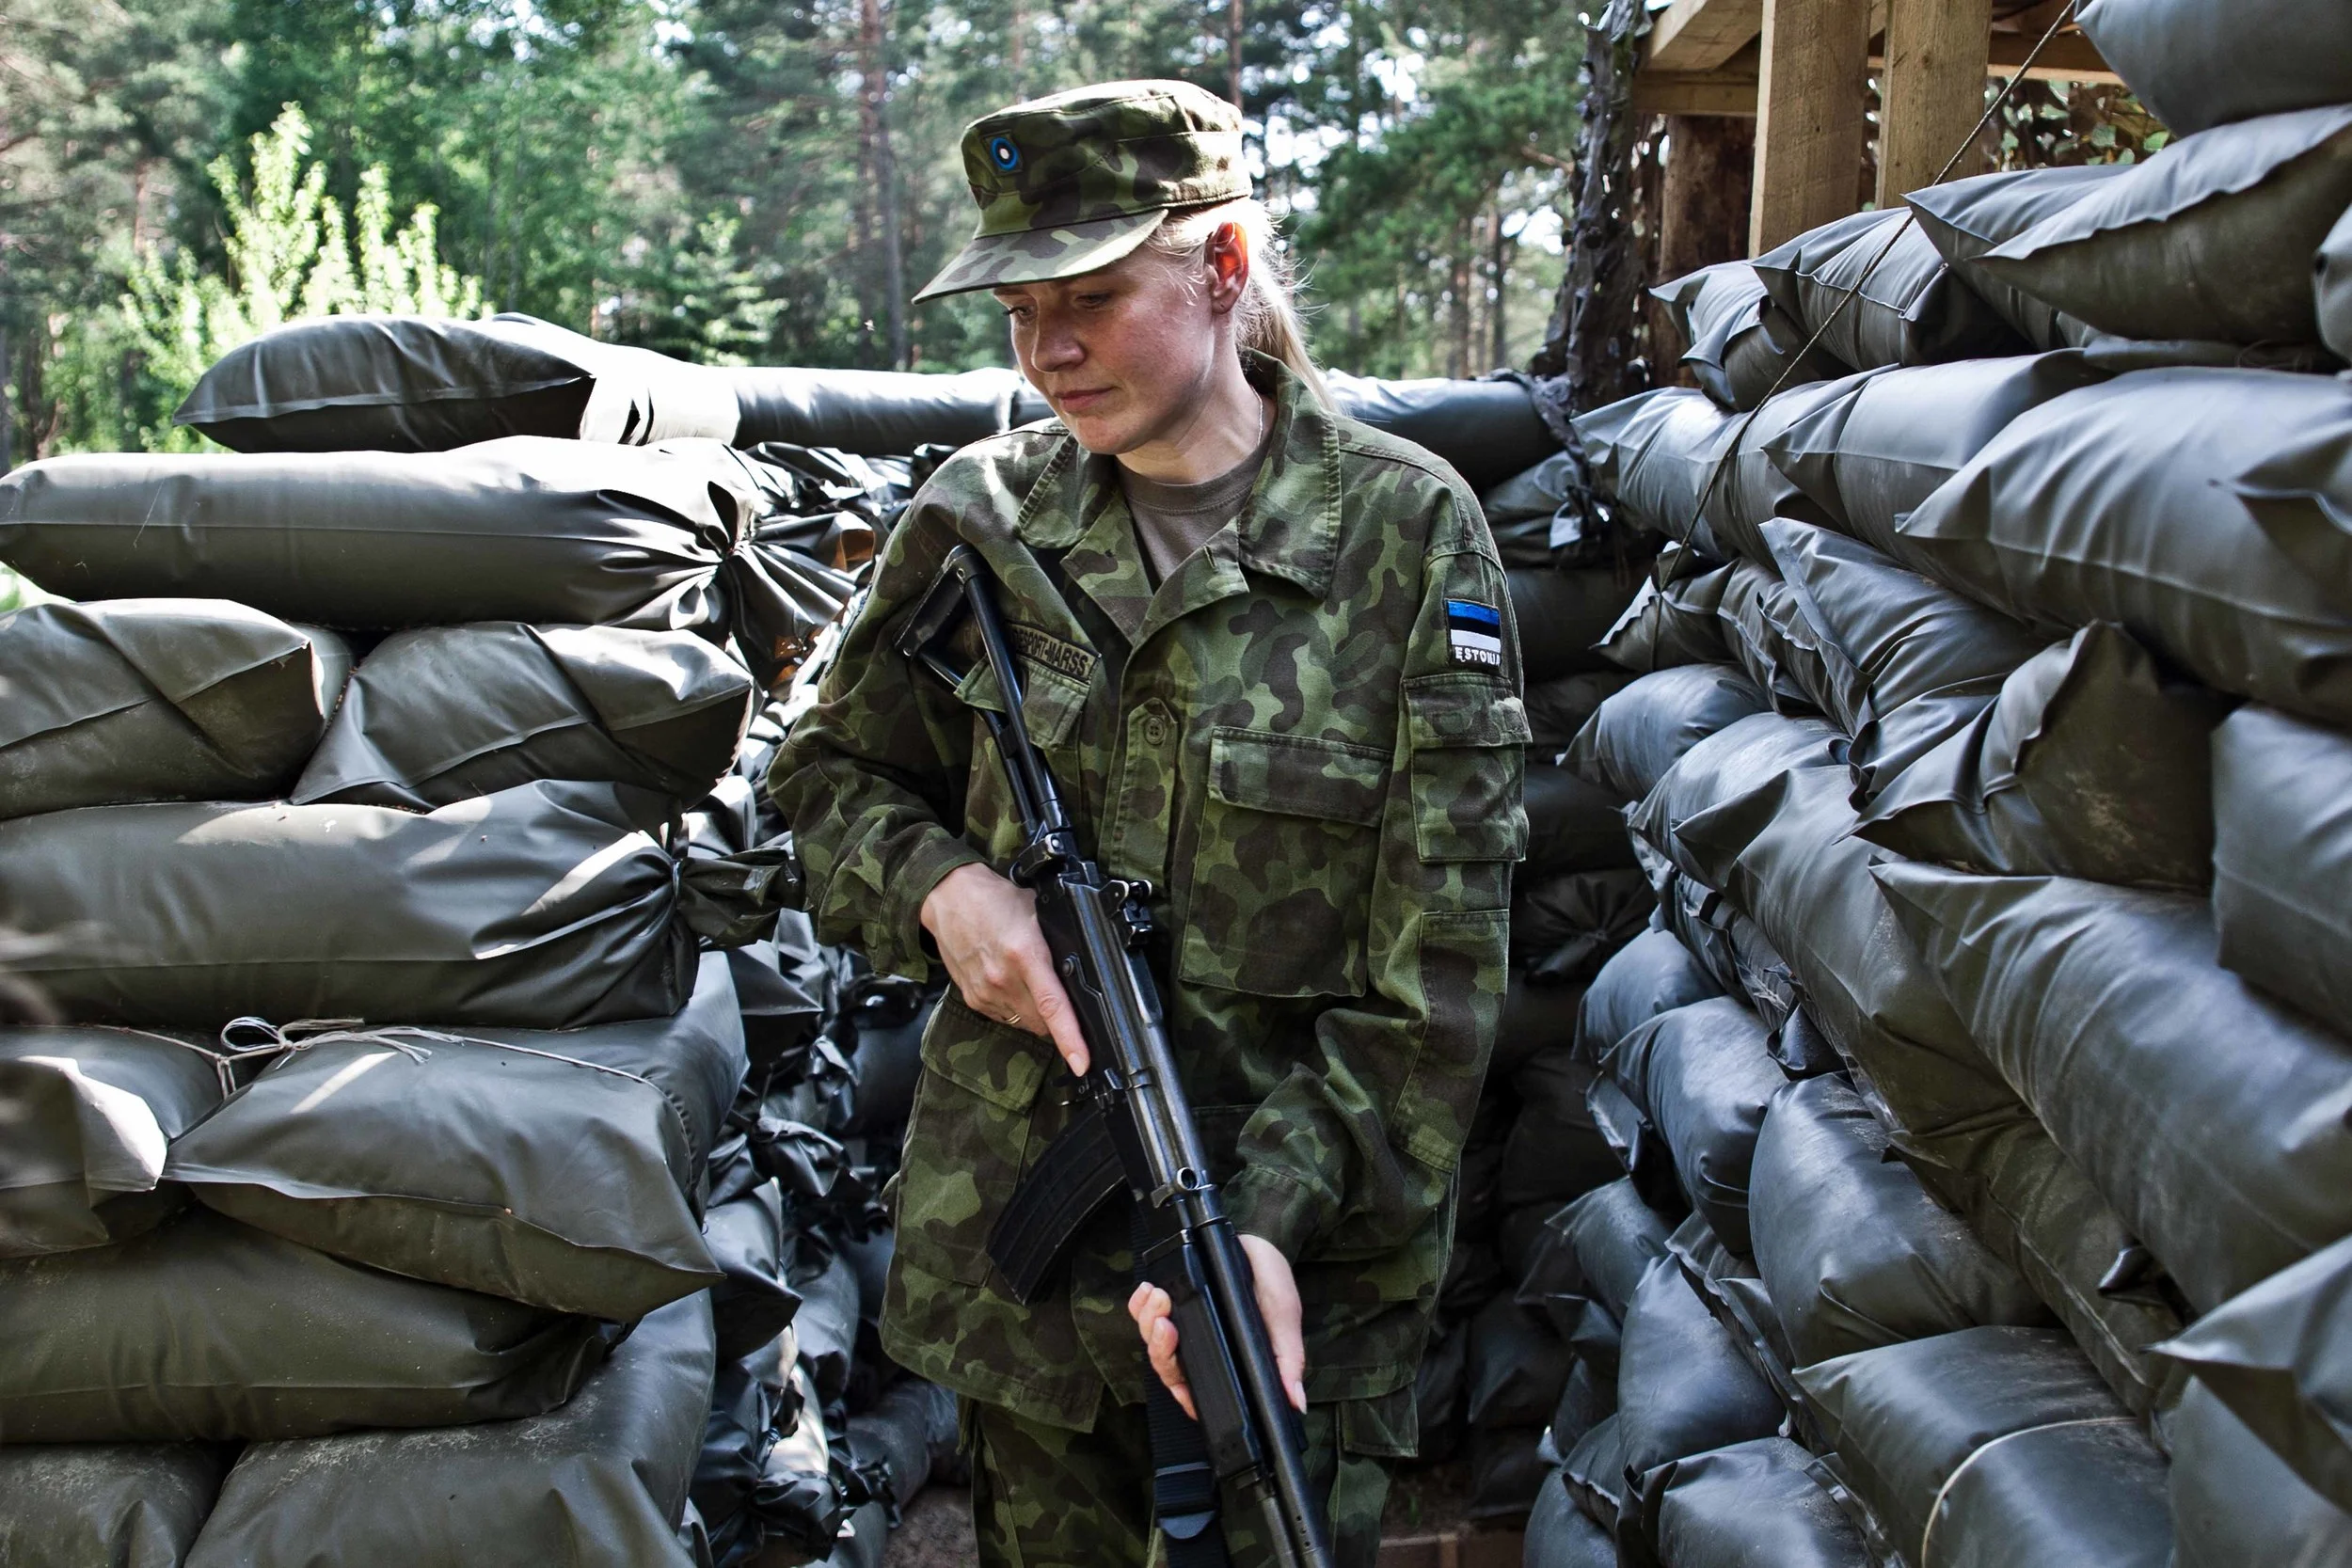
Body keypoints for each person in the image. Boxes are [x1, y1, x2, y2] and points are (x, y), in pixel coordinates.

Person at [768, 77, 1527, 1568]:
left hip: (1284, 1293)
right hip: (1030, 1292)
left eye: (1096, 298)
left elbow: (1436, 986)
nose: (1049, 348)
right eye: (1017, 310)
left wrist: (1264, 1225)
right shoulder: (978, 518)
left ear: (1224, 270)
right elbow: (823, 775)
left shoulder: (1408, 538)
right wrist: (942, 889)